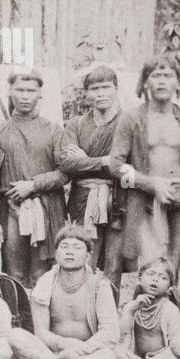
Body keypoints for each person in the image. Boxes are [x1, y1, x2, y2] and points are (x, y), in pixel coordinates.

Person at [109, 54, 180, 278]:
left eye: (167, 75)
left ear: (178, 82)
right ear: (146, 82)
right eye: (155, 75)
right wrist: (151, 184)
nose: (161, 81)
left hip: (179, 201)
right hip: (144, 202)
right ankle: (143, 311)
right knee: (151, 270)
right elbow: (115, 165)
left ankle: (171, 312)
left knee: (172, 272)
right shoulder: (132, 118)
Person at [0, 70, 75, 285]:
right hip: (11, 210)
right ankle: (16, 319)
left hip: (47, 210)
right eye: (20, 90)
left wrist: (34, 185)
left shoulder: (53, 130)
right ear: (10, 91)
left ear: (40, 94)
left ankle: (42, 319)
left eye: (31, 91)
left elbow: (65, 173)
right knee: (14, 275)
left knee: (42, 275)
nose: (25, 96)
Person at [9, 224, 119, 359]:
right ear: (56, 253)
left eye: (77, 247)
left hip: (87, 353)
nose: (69, 252)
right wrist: (64, 345)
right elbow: (41, 332)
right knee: (16, 335)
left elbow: (109, 333)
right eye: (64, 246)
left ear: (88, 256)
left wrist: (80, 350)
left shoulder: (99, 286)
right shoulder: (45, 283)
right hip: (53, 353)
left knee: (108, 357)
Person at [62, 65, 125, 285]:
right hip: (82, 200)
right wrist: (104, 161)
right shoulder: (76, 124)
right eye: (95, 88)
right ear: (87, 93)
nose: (100, 94)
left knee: (113, 266)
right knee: (82, 260)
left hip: (118, 200)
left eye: (106, 87)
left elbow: (126, 164)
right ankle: (82, 316)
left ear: (116, 88)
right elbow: (68, 163)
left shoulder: (127, 123)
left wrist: (85, 159)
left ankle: (109, 318)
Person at [104, 257, 180, 359]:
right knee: (110, 347)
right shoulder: (132, 306)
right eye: (151, 274)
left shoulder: (171, 310)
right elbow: (119, 338)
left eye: (163, 277)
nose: (155, 279)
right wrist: (129, 312)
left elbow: (175, 347)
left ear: (169, 289)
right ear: (139, 279)